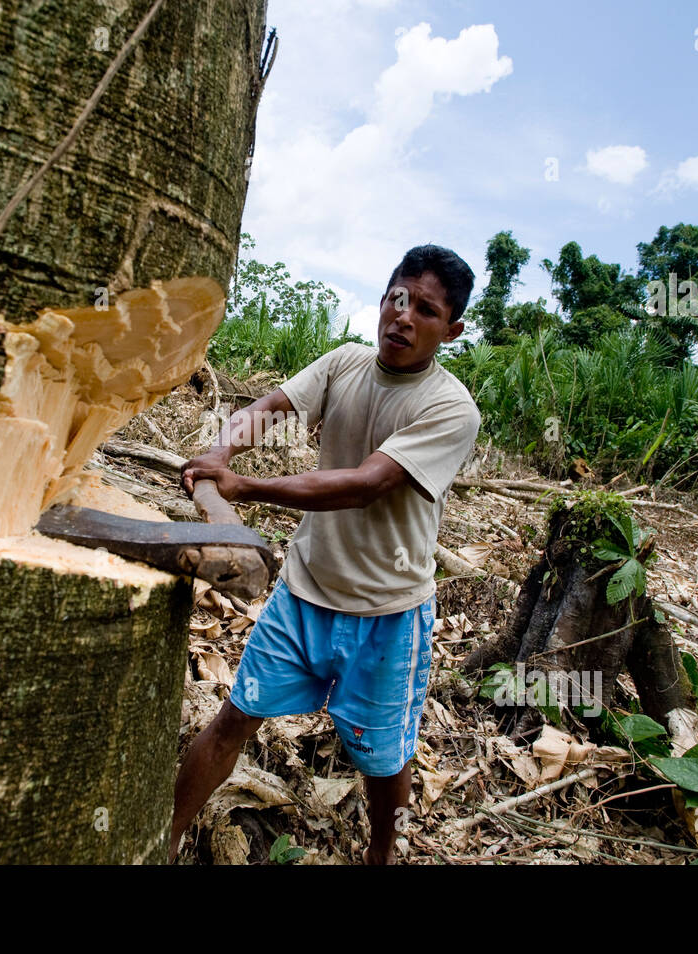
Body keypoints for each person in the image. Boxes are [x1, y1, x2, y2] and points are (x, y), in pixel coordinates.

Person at [171, 244, 481, 864]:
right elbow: (268, 409)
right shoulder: (345, 363)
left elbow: (366, 484)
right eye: (398, 298)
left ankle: (381, 857)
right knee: (235, 719)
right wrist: (219, 456)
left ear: (451, 330)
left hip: (387, 615)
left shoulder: (450, 407)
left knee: (383, 760)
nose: (404, 317)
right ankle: (163, 838)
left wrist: (245, 487)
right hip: (304, 597)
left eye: (425, 309)